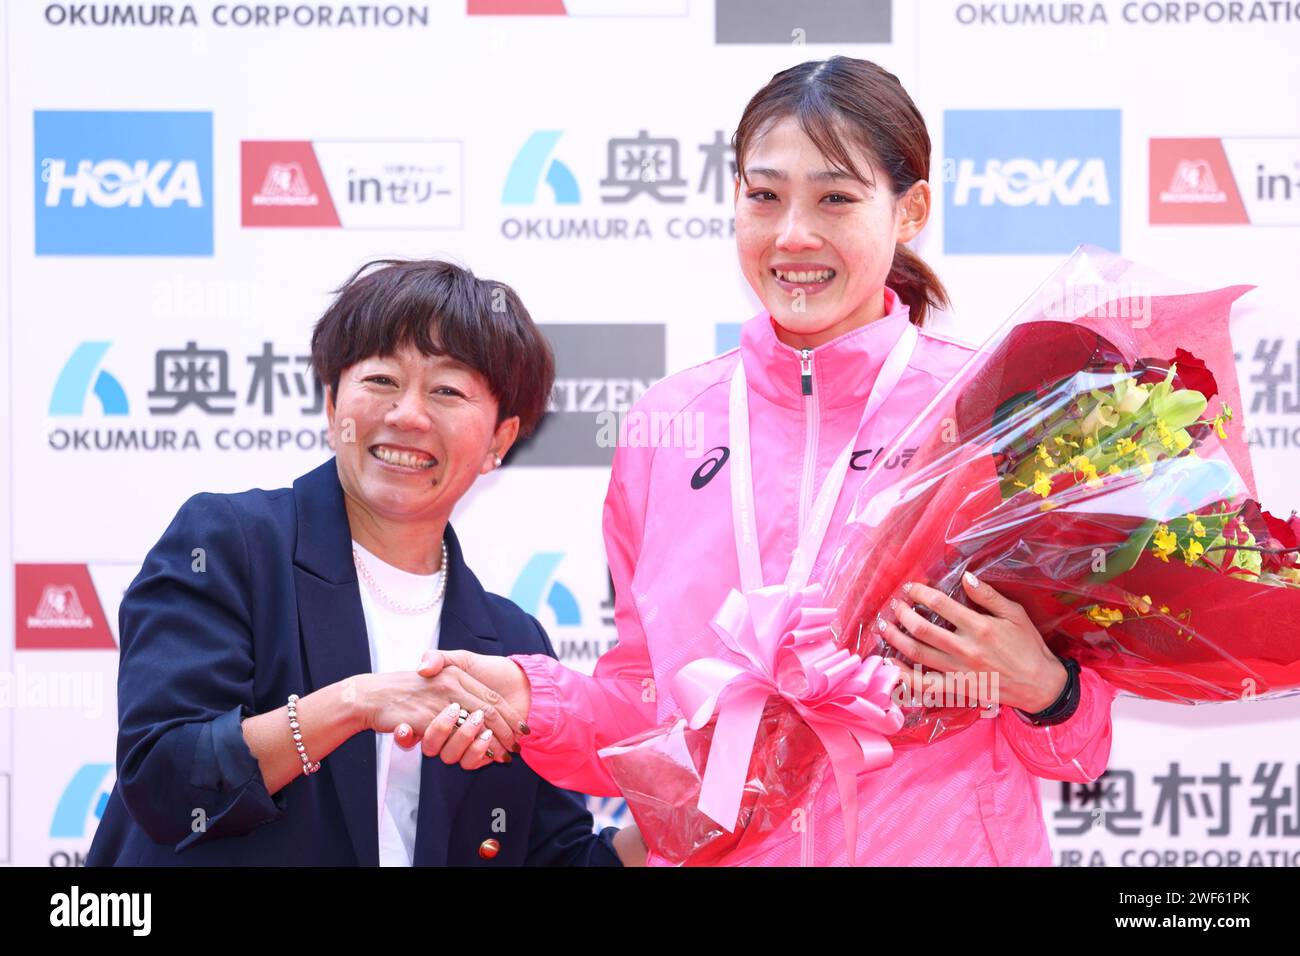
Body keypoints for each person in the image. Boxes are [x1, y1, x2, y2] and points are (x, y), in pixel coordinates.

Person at [423, 57, 1118, 866]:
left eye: (835, 197)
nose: (793, 234)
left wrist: (1046, 687)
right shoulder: (667, 428)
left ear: (910, 210)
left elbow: (1077, 750)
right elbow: (646, 706)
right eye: (764, 196)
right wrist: (530, 698)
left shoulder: (990, 416)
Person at [87, 259, 642, 866]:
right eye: (381, 380)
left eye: (448, 390)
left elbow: (550, 858)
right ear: (332, 406)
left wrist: (695, 816)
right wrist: (355, 703)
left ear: (499, 443)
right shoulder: (228, 547)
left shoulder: (511, 641)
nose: (408, 414)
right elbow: (165, 779)